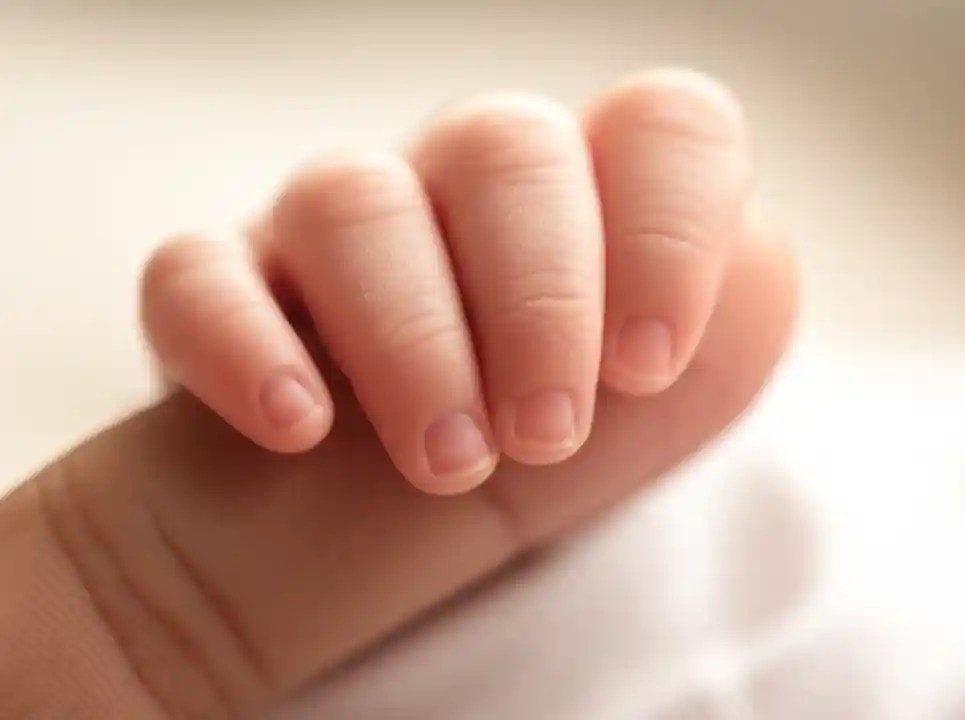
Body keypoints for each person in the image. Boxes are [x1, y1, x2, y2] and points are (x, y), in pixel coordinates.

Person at [0, 69, 798, 718]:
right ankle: (144, 598)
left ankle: (138, 606)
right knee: (484, 289)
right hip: (513, 569)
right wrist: (385, 296)